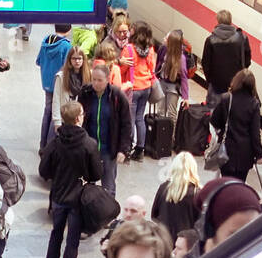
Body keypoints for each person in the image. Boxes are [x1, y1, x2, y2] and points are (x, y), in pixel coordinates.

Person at [40, 100, 103, 258]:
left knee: (56, 234)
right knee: (72, 240)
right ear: (78, 119)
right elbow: (96, 174)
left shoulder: (56, 142)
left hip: (58, 196)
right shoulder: (88, 144)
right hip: (77, 199)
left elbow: (44, 169)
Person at [79, 60, 133, 196]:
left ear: (108, 80)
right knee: (87, 184)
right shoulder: (85, 93)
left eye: (100, 80)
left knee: (108, 187)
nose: (96, 83)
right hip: (89, 149)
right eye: (94, 80)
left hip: (109, 150)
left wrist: (123, 150)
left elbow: (126, 124)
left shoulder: (117, 96)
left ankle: (107, 215)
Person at [209, 69, 262, 183]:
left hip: (226, 151)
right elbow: (255, 134)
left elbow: (214, 120)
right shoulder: (254, 104)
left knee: (225, 184)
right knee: (239, 185)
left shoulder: (226, 98)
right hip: (244, 156)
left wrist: (223, 131)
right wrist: (260, 155)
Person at [122, 21, 158, 160]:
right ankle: (140, 150)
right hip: (146, 87)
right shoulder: (150, 49)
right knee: (139, 118)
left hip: (133, 87)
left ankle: (127, 149)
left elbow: (124, 68)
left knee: (129, 119)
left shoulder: (129, 49)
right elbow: (151, 67)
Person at [201, 10, 251, 110]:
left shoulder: (210, 40)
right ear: (230, 21)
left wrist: (211, 80)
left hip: (216, 85)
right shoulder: (242, 38)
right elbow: (247, 60)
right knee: (231, 114)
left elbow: (205, 63)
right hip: (236, 85)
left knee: (213, 114)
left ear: (218, 21)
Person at [37, 24, 74, 149]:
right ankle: (50, 145)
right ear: (69, 30)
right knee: (57, 112)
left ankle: (42, 144)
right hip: (59, 83)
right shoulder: (67, 46)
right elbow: (67, 66)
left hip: (46, 82)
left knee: (47, 111)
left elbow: (38, 61)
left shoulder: (45, 42)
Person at [152, 151, 201, 239]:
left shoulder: (164, 188)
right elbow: (200, 223)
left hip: (164, 239)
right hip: (185, 242)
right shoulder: (197, 193)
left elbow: (154, 215)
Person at [50, 46, 89, 133]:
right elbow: (56, 99)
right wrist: (57, 121)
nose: (77, 61)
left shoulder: (88, 76)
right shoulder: (61, 76)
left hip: (81, 120)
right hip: (65, 119)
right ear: (69, 60)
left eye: (79, 58)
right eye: (74, 58)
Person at [155, 30, 189, 120]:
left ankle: (171, 134)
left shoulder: (181, 58)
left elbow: (184, 77)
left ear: (171, 43)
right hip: (162, 82)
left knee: (171, 114)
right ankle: (159, 133)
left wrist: (185, 97)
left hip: (173, 87)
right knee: (160, 111)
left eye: (166, 38)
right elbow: (157, 65)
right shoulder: (162, 49)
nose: (164, 39)